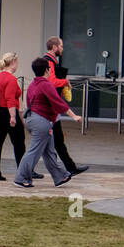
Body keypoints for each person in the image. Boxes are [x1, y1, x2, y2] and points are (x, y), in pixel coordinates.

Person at [15, 56, 82, 188]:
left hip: (33, 119)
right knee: (34, 151)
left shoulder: (33, 84)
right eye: (50, 69)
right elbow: (58, 103)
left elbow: (29, 103)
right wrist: (74, 116)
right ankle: (21, 177)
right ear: (47, 70)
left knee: (49, 150)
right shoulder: (46, 85)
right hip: (41, 121)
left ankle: (60, 177)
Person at [42, 37, 88, 175]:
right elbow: (51, 81)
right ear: (54, 47)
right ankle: (68, 168)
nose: (62, 49)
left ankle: (70, 167)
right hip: (50, 107)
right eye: (61, 46)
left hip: (52, 106)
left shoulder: (50, 61)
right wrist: (65, 82)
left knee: (56, 141)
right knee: (50, 142)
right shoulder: (49, 61)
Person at [0, 52, 26, 181]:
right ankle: (23, 171)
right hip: (6, 112)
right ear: (13, 62)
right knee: (19, 142)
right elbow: (10, 99)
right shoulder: (11, 79)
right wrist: (13, 116)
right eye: (17, 62)